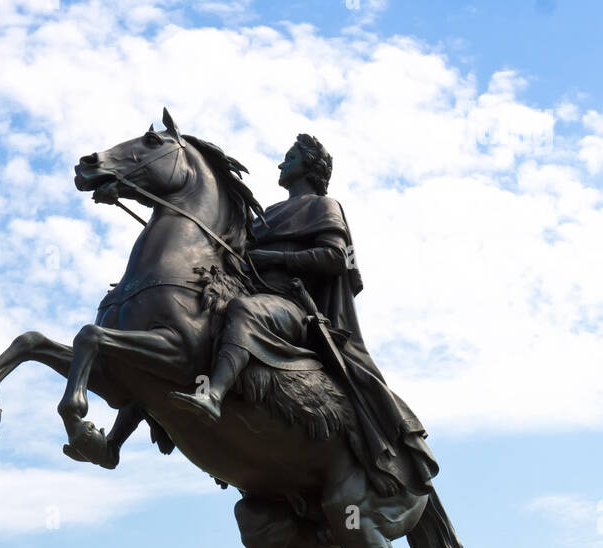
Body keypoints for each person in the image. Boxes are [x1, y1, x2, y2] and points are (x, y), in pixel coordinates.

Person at [170, 134, 438, 495]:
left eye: (289, 157)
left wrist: (276, 258)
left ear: (310, 165)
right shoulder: (267, 214)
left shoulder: (323, 205)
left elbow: (334, 258)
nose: (281, 164)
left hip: (293, 308)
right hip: (258, 295)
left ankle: (214, 394)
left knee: (243, 310)